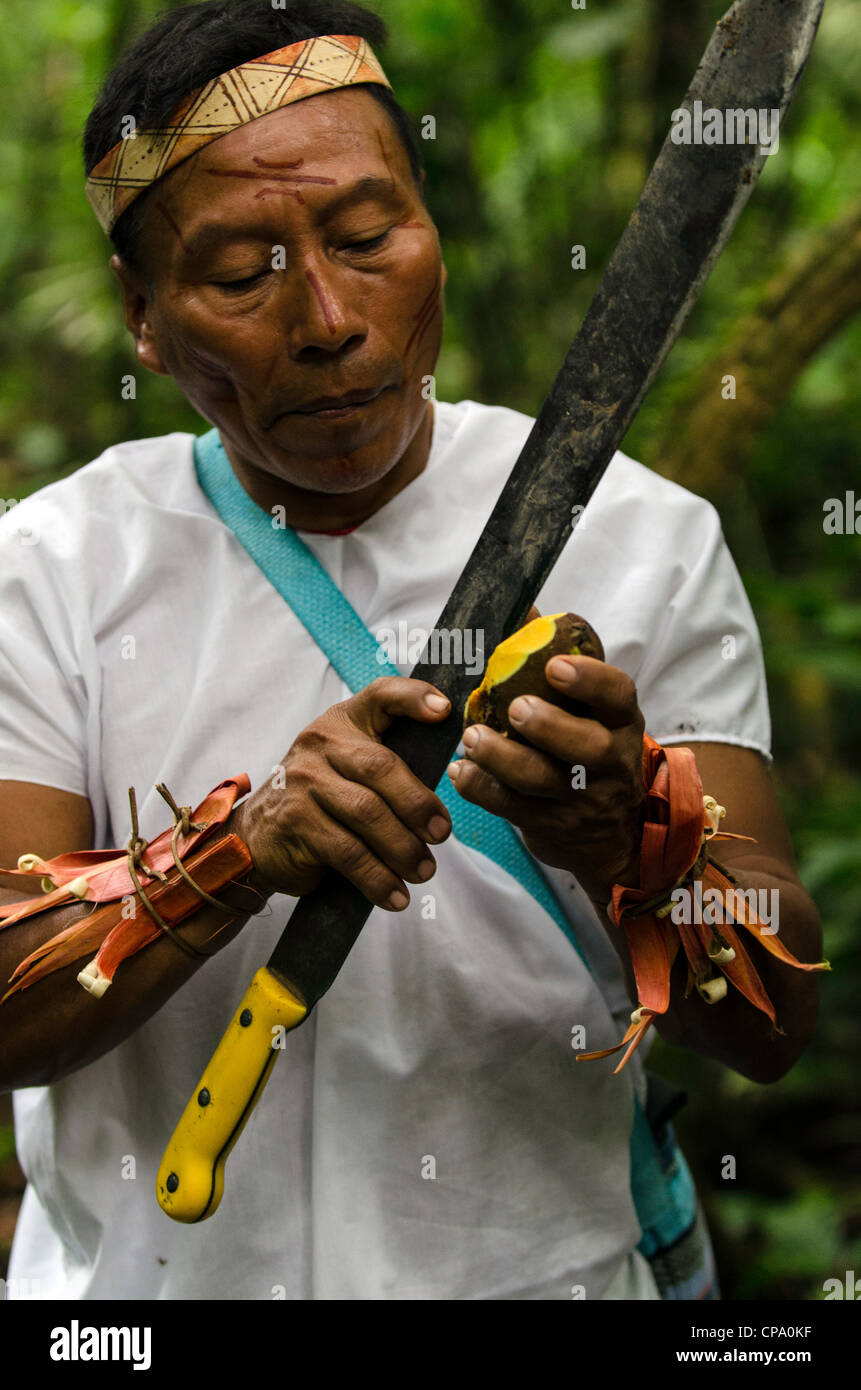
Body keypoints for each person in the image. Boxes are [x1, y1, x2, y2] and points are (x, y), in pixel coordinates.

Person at [0, 0, 822, 1301]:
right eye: (237, 273)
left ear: (428, 226)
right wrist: (227, 853)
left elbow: (776, 1018)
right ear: (145, 318)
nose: (326, 316)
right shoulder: (50, 566)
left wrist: (633, 837)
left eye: (368, 235)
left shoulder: (645, 536)